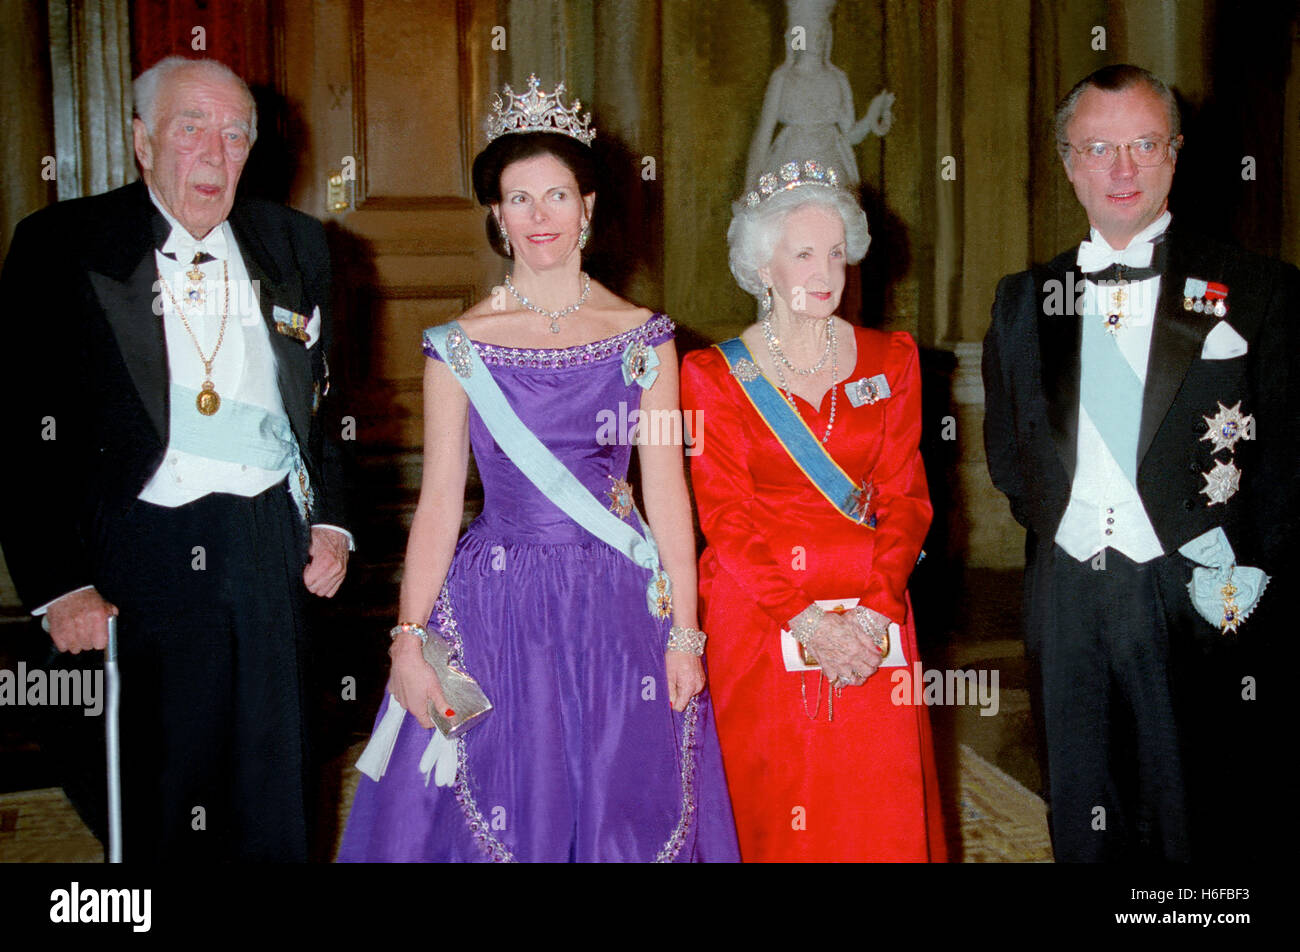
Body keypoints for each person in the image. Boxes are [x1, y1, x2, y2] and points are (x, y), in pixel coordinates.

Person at [337, 75, 738, 862]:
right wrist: (408, 639)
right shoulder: (458, 344)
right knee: (505, 798)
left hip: (621, 600)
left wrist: (686, 636)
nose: (539, 217)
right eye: (519, 199)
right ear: (496, 214)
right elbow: (440, 500)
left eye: (557, 195)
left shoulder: (645, 335)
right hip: (499, 602)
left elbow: (667, 494)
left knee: (622, 798)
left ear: (588, 205)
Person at [0, 56, 352, 860]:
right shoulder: (62, 244)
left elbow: (327, 407)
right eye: (190, 128)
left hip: (268, 547)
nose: (214, 153)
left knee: (279, 788)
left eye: (235, 135)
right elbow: (20, 434)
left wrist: (331, 522)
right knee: (155, 795)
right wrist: (59, 584)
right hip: (136, 555)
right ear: (141, 141)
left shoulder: (295, 243)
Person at [983, 64, 1296, 862]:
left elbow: (1289, 468)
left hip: (1195, 589)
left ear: (1175, 154)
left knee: (1200, 814)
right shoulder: (1025, 297)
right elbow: (1012, 459)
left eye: (1143, 144)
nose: (1122, 169)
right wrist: (1077, 530)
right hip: (1066, 590)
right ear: (1068, 162)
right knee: (1082, 808)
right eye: (1099, 147)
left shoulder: (1258, 291)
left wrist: (1238, 580)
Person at [680, 160, 945, 861]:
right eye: (802, 253)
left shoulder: (892, 359)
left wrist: (873, 610)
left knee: (873, 807)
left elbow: (907, 496)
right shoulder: (712, 374)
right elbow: (725, 517)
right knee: (775, 803)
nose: (825, 271)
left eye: (835, 252)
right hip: (762, 613)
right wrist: (805, 624)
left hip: (872, 610)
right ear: (760, 267)